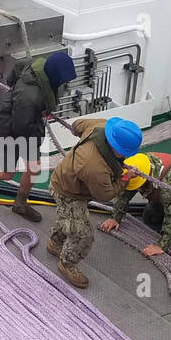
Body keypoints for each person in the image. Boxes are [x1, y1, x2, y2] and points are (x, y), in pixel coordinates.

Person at [0, 51, 77, 222]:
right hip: (6, 128)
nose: (65, 85)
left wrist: (14, 92)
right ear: (55, 77)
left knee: (34, 167)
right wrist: (40, 134)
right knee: (8, 173)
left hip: (23, 120)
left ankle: (20, 203)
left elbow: (15, 71)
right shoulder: (30, 97)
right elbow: (22, 127)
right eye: (64, 81)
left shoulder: (36, 64)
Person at [46, 116, 142, 289]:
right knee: (83, 234)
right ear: (119, 149)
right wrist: (125, 179)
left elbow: (77, 125)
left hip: (64, 178)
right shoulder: (94, 167)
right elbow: (106, 195)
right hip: (68, 193)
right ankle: (67, 264)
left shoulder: (102, 125)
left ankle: (55, 243)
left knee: (69, 220)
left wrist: (78, 133)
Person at [99, 150, 171, 256]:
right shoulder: (136, 167)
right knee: (149, 217)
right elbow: (125, 194)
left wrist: (161, 245)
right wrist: (115, 217)